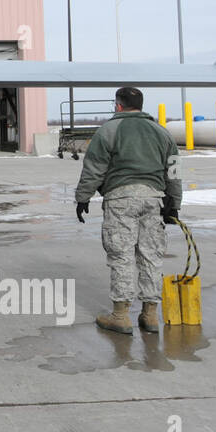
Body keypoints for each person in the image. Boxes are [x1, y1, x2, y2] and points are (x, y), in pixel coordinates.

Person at [73, 86, 182, 335]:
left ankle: (121, 316)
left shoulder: (108, 130)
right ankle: (151, 316)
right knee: (151, 256)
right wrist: (174, 205)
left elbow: (94, 168)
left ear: (118, 105)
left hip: (120, 198)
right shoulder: (162, 132)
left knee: (121, 255)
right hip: (153, 199)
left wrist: (83, 197)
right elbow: (174, 172)